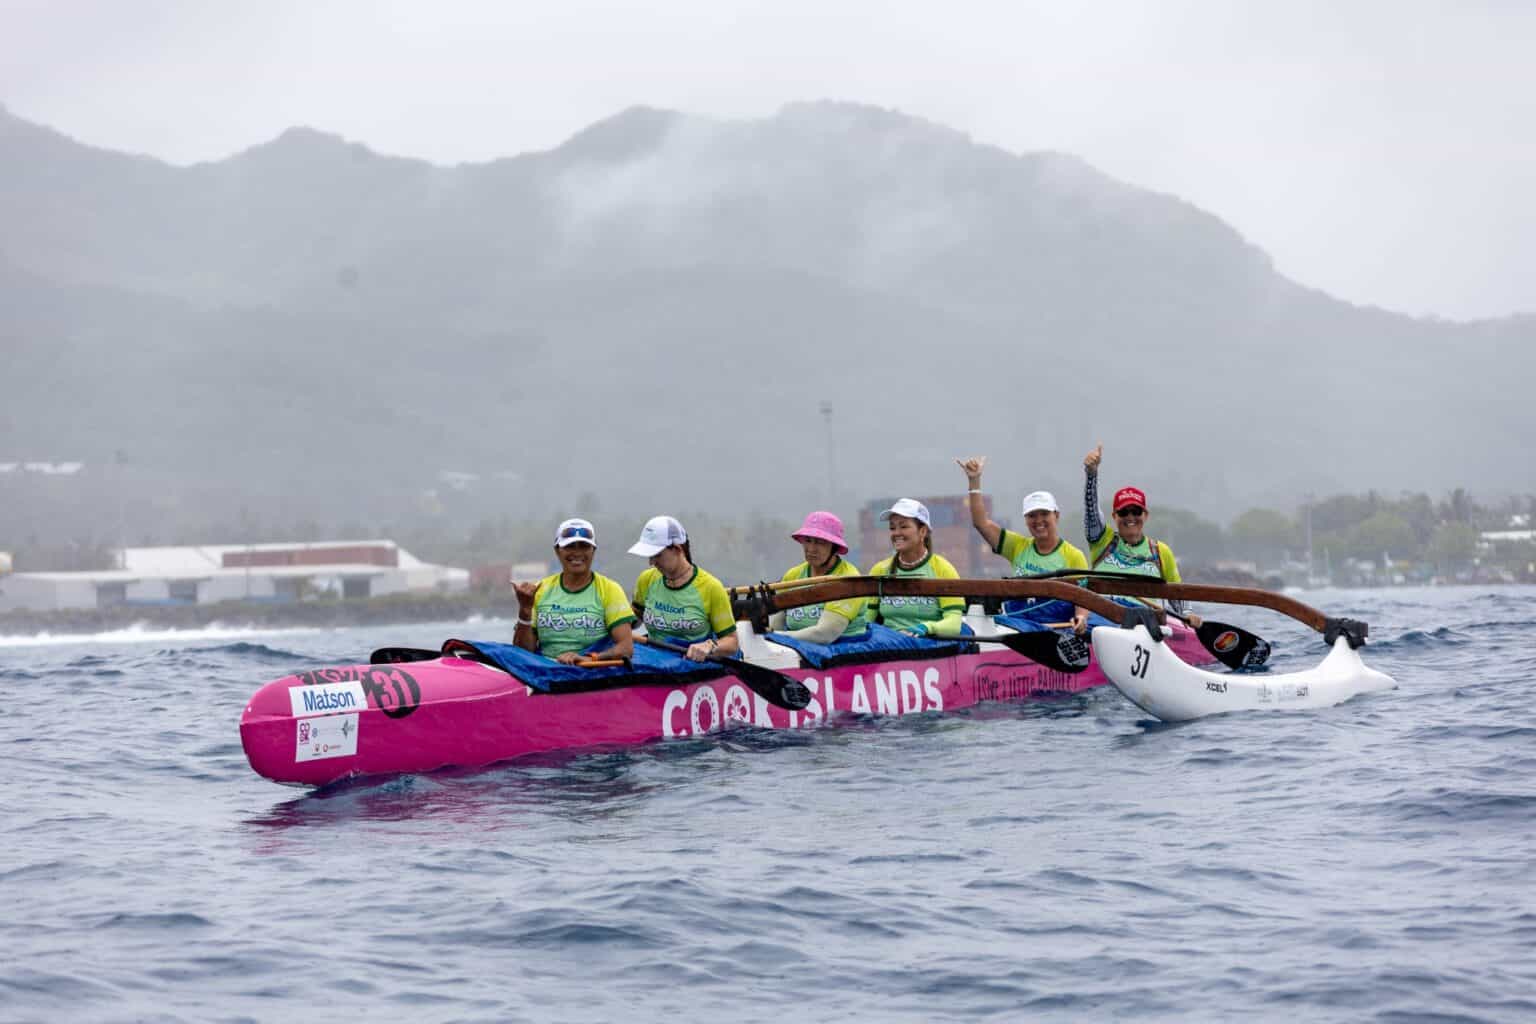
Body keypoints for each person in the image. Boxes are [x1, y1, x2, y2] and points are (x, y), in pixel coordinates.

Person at [956, 456, 1091, 632]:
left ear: (1056, 515)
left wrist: (1081, 618)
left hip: (1056, 627)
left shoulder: (1074, 555)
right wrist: (974, 482)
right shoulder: (1017, 546)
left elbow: (1083, 597)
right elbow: (981, 523)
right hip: (1019, 625)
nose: (1038, 520)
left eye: (1044, 514)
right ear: (1026, 520)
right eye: (1032, 516)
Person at [1082, 444, 1201, 626]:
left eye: (1136, 511)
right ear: (1114, 516)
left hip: (1146, 624)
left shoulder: (1160, 551)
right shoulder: (1102, 540)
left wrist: (1188, 614)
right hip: (1103, 620)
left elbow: (1177, 595)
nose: (1130, 517)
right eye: (1123, 513)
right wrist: (1091, 475)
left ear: (1145, 515)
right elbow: (1091, 511)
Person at [513, 518, 636, 664]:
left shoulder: (610, 590)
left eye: (584, 546)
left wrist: (589, 659)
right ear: (557, 550)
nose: (577, 553)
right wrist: (525, 611)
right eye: (570, 546)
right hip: (546, 672)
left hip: (591, 672)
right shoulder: (540, 590)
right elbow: (522, 653)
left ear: (593, 550)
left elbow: (626, 648)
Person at [628, 515, 739, 661]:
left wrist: (709, 646)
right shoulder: (646, 580)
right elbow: (635, 618)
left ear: (678, 549)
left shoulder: (711, 588)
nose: (651, 562)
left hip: (692, 664)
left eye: (657, 555)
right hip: (654, 659)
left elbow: (732, 642)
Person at [866, 498, 966, 638]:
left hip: (928, 643)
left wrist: (925, 627)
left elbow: (954, 625)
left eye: (904, 526)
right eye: (892, 528)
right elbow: (866, 620)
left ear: (923, 531)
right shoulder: (880, 570)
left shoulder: (943, 569)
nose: (896, 533)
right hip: (887, 644)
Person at [768, 510, 868, 644]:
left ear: (835, 547)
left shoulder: (848, 579)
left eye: (820, 542)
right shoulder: (793, 575)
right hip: (797, 649)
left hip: (842, 650)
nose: (811, 549)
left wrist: (777, 636)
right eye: (808, 541)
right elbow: (775, 625)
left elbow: (825, 634)